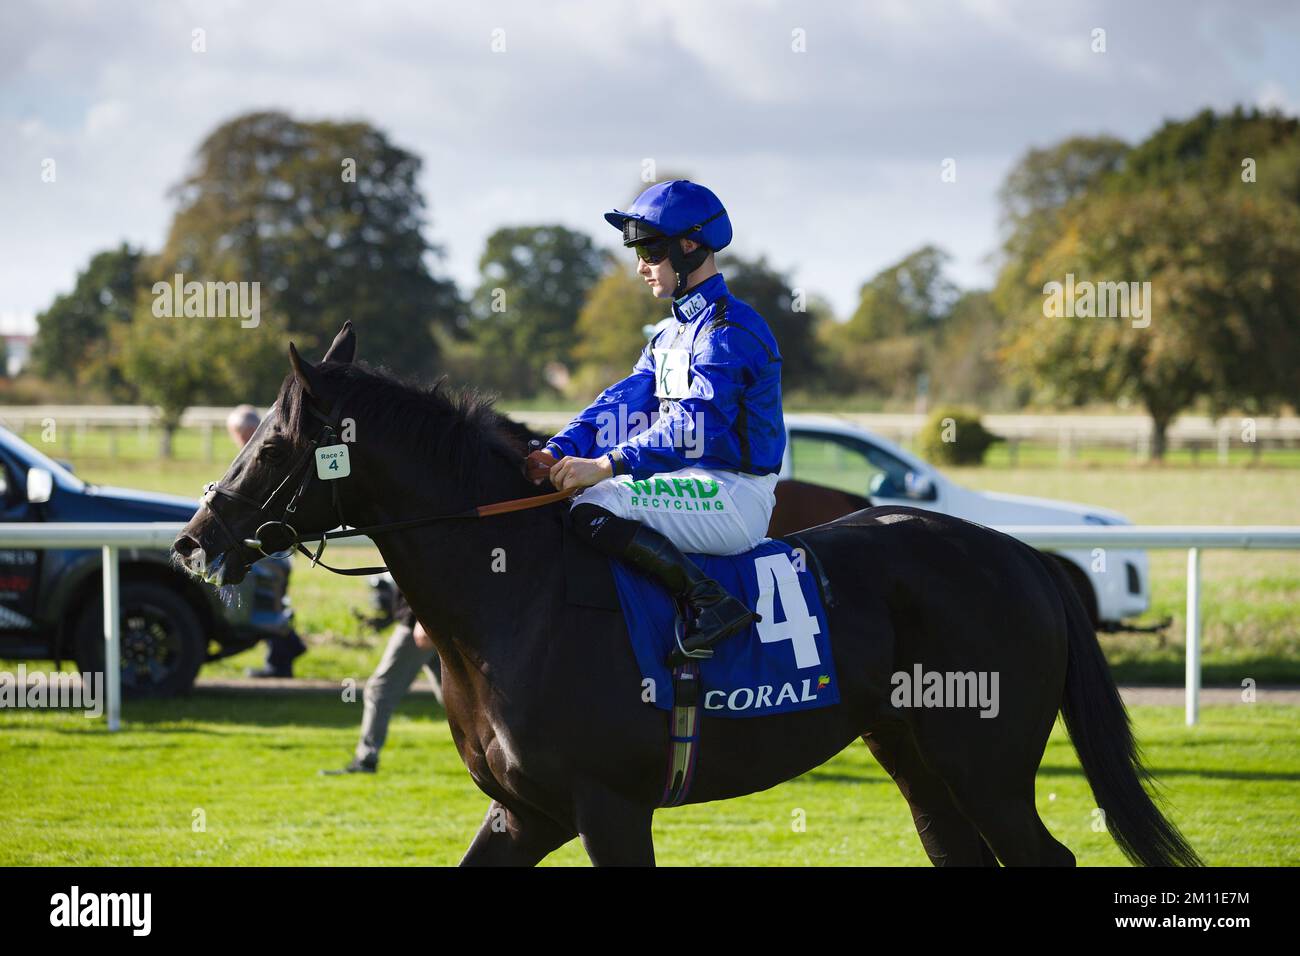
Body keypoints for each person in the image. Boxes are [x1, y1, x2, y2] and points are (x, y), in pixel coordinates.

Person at [526, 180, 786, 661]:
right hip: (690, 484)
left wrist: (605, 466)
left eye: (649, 249)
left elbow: (695, 424)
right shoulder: (670, 332)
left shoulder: (730, 331)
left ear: (689, 246)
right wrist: (557, 450)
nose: (641, 265)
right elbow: (623, 402)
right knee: (574, 497)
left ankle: (711, 602)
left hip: (734, 495)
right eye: (635, 251)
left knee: (593, 502)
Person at [322, 582, 443, 775]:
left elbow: (434, 572)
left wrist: (423, 619)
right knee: (455, 697)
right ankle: (497, 746)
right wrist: (389, 617)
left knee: (379, 690)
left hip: (419, 626)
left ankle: (366, 759)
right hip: (423, 621)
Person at [225, 404, 309, 679]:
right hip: (272, 536)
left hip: (269, 537)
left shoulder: (263, 455)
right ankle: (287, 647)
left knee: (268, 594)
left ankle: (283, 654)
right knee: (273, 594)